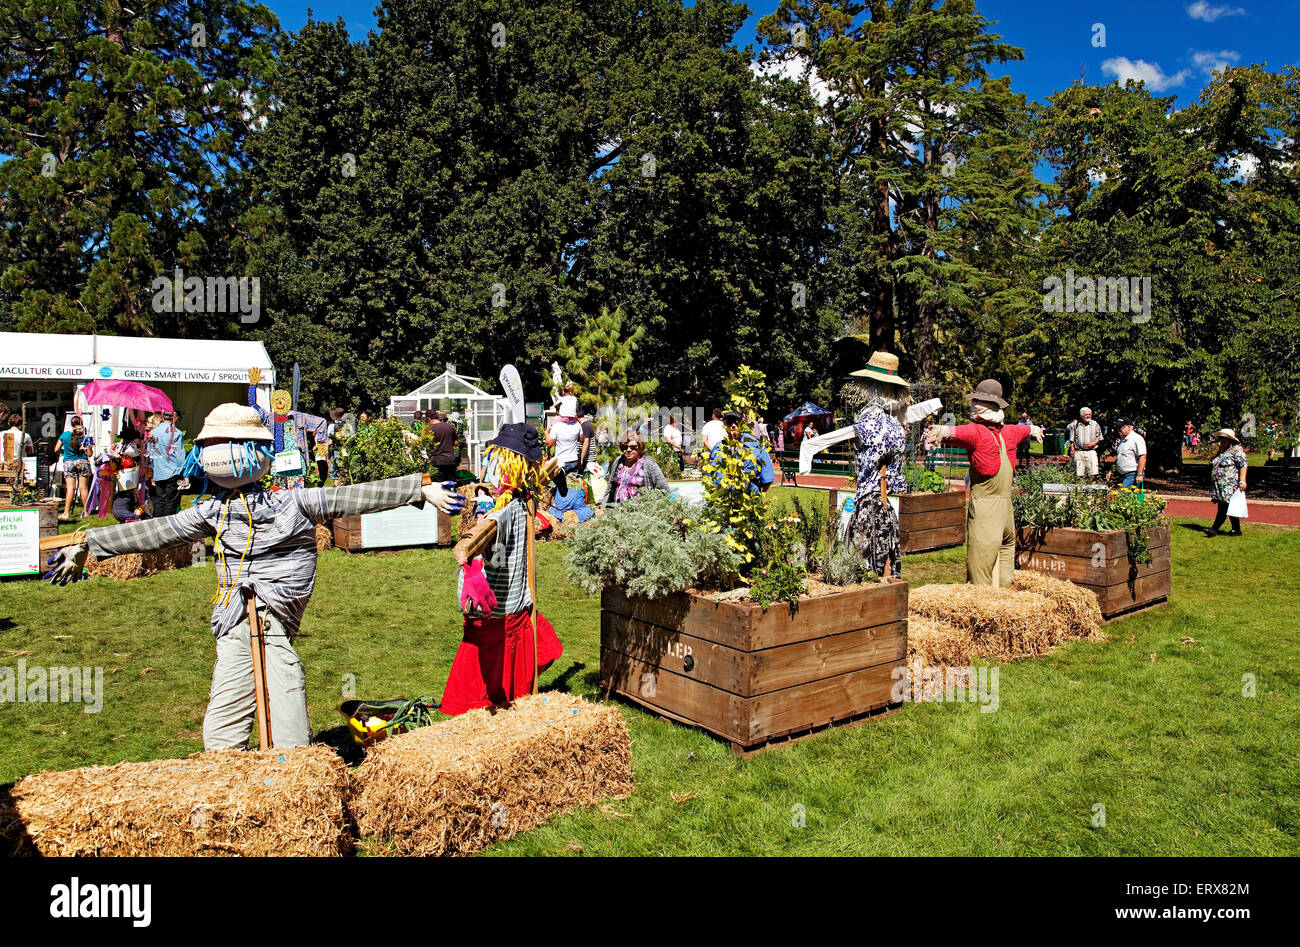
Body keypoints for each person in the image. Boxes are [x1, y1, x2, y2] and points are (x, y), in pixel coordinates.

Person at [44, 403, 465, 749]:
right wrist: (90, 546)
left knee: (283, 684)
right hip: (233, 615)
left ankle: (292, 768)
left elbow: (349, 496)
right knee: (229, 694)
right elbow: (155, 531)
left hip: (277, 612)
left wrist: (417, 489)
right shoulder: (214, 510)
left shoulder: (294, 502)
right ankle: (225, 764)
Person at [446, 423, 563, 715]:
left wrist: (470, 543)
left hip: (506, 611)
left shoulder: (517, 503)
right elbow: (481, 535)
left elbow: (544, 477)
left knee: (493, 685)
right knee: (497, 685)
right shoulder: (514, 504)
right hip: (500, 611)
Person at [925, 379, 1041, 587]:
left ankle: (986, 611)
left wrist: (940, 431)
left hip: (986, 512)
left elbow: (956, 433)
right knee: (1005, 568)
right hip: (1007, 512)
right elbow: (1024, 430)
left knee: (980, 572)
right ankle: (1004, 606)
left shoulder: (977, 432)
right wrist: (1033, 430)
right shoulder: (1009, 433)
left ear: (980, 407)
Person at [708, 410, 775, 495]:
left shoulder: (756, 446)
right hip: (723, 502)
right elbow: (710, 475)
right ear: (724, 425)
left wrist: (754, 495)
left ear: (742, 424)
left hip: (748, 501)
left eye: (736, 422)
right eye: (729, 422)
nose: (733, 425)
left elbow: (767, 478)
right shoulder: (718, 448)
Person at [606, 433, 670, 505]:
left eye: (633, 447)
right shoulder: (618, 461)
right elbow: (610, 486)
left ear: (640, 448)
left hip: (641, 513)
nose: (628, 450)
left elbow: (664, 488)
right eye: (625, 447)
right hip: (617, 512)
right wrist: (604, 505)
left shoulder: (648, 463)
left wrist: (656, 507)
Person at [1204, 428, 1247, 537]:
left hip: (1229, 485)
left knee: (1224, 507)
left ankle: (1214, 529)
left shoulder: (1236, 451)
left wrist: (1242, 481)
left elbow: (1243, 466)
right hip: (1219, 485)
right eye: (1221, 439)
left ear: (1230, 440)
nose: (1222, 441)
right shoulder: (1221, 451)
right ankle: (1236, 530)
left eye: (1224, 439)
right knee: (1227, 506)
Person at [147, 410, 186, 518]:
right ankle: (168, 527)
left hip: (159, 471)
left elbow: (151, 454)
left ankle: (158, 524)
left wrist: (154, 472)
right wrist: (184, 474)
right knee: (172, 501)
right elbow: (180, 455)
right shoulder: (177, 433)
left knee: (160, 501)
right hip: (173, 471)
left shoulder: (153, 433)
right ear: (175, 418)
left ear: (163, 418)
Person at [56, 416, 93, 522]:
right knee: (83, 488)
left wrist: (65, 453)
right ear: (81, 423)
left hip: (69, 462)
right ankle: (86, 512)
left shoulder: (64, 435)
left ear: (71, 424)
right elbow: (89, 454)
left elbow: (56, 449)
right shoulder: (85, 437)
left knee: (70, 488)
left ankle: (66, 513)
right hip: (82, 462)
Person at [545, 395, 585, 474]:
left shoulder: (556, 426)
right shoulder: (577, 425)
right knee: (573, 484)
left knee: (561, 485)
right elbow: (581, 440)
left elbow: (549, 444)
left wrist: (546, 433)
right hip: (574, 460)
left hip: (561, 461)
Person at [1068, 406, 1103, 480]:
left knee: (1093, 474)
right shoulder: (1075, 425)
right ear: (1081, 415)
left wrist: (1093, 443)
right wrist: (1072, 449)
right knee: (1079, 474)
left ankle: (1093, 490)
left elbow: (1099, 437)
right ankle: (1080, 490)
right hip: (1079, 452)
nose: (1088, 416)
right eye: (1086, 414)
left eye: (1089, 414)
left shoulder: (1095, 424)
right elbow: (1072, 438)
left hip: (1091, 451)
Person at [1113, 417, 1147, 488]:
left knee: (1123, 496)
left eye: (1121, 428)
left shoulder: (1136, 439)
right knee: (1125, 497)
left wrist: (1139, 474)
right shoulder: (1122, 440)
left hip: (1133, 474)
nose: (1118, 430)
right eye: (1117, 428)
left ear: (1129, 427)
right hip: (1122, 474)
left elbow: (1143, 456)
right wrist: (1111, 472)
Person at [428, 410, 459, 482]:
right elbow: (456, 442)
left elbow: (428, 445)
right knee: (451, 484)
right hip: (450, 460)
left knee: (437, 486)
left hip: (436, 461)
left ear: (429, 419)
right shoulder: (449, 427)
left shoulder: (429, 429)